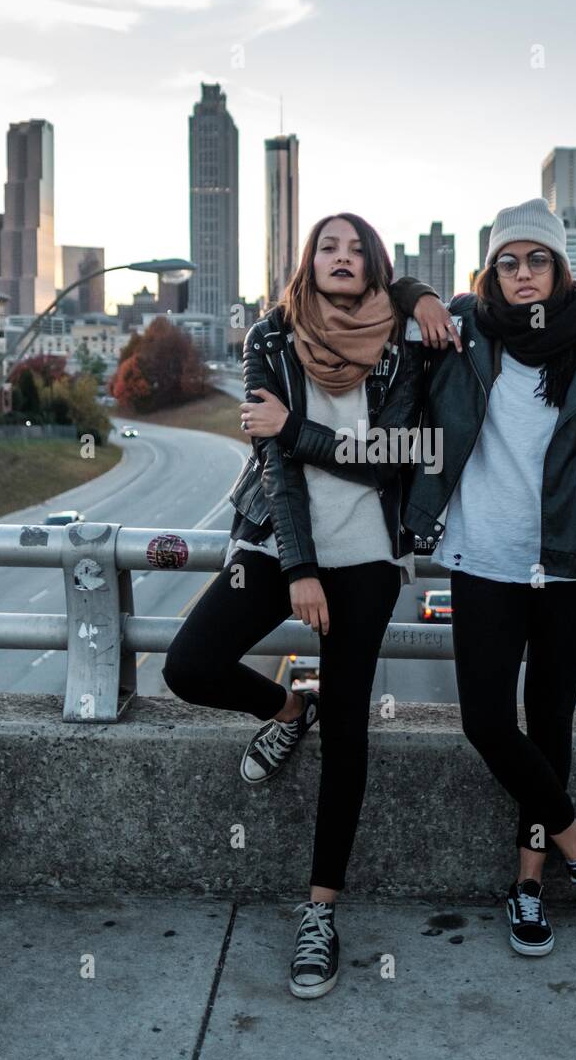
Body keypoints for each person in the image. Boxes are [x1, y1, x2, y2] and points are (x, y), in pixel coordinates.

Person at [395, 197, 576, 955]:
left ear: (558, 267)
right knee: (486, 723)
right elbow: (381, 291)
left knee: (548, 726)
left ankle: (527, 885)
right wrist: (417, 296)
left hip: (575, 566)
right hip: (483, 560)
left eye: (536, 259)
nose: (522, 273)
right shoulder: (460, 333)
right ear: (490, 270)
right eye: (507, 261)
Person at [162, 213, 425, 998]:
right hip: (277, 543)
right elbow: (273, 462)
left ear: (375, 267)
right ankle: (283, 710)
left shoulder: (401, 343)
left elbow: (395, 459)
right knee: (190, 665)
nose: (340, 258)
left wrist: (299, 426)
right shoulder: (269, 339)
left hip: (369, 557)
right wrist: (299, 567)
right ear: (306, 264)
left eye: (356, 249)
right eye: (326, 247)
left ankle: (319, 911)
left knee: (349, 729)